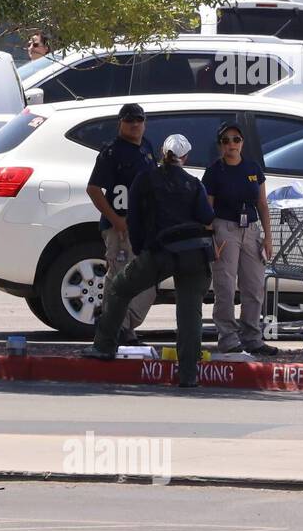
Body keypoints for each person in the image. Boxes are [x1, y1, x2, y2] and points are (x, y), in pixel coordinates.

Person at [84, 134, 215, 388]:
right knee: (190, 315)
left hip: (162, 251)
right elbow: (207, 215)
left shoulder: (145, 179)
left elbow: (133, 219)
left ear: (160, 155)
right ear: (185, 158)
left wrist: (144, 250)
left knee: (120, 288)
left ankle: (104, 347)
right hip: (196, 256)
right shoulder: (193, 183)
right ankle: (188, 376)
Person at [203, 122, 277, 356]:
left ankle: (252, 337)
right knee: (225, 286)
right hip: (224, 227)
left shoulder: (253, 168)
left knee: (254, 285)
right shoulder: (214, 171)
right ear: (220, 146)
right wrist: (210, 238)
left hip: (251, 229)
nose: (231, 145)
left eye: (236, 140)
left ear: (242, 143)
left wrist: (268, 237)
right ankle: (227, 337)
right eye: (226, 141)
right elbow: (207, 209)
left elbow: (262, 204)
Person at [86, 103, 157, 343]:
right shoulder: (111, 152)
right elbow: (93, 188)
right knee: (120, 277)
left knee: (143, 281)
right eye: (129, 120)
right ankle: (116, 328)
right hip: (121, 228)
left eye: (139, 119)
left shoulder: (146, 148)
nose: (135, 124)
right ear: (120, 123)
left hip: (143, 227)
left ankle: (121, 325)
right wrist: (117, 221)